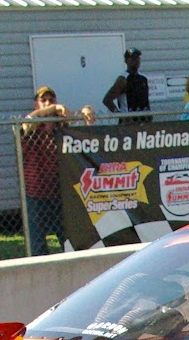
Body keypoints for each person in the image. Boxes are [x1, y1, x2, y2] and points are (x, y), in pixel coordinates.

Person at [21, 86, 95, 256]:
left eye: (51, 100)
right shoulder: (31, 127)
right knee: (38, 246)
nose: (48, 103)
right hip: (36, 194)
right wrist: (53, 108)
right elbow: (26, 123)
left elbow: (78, 117)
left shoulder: (62, 127)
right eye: (43, 100)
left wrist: (86, 110)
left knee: (67, 242)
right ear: (36, 104)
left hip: (59, 193)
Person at [103, 48, 151, 118]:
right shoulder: (123, 79)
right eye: (133, 58)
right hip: (129, 121)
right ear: (126, 61)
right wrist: (119, 115)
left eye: (138, 58)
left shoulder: (143, 78)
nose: (136, 61)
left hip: (144, 120)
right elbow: (107, 100)